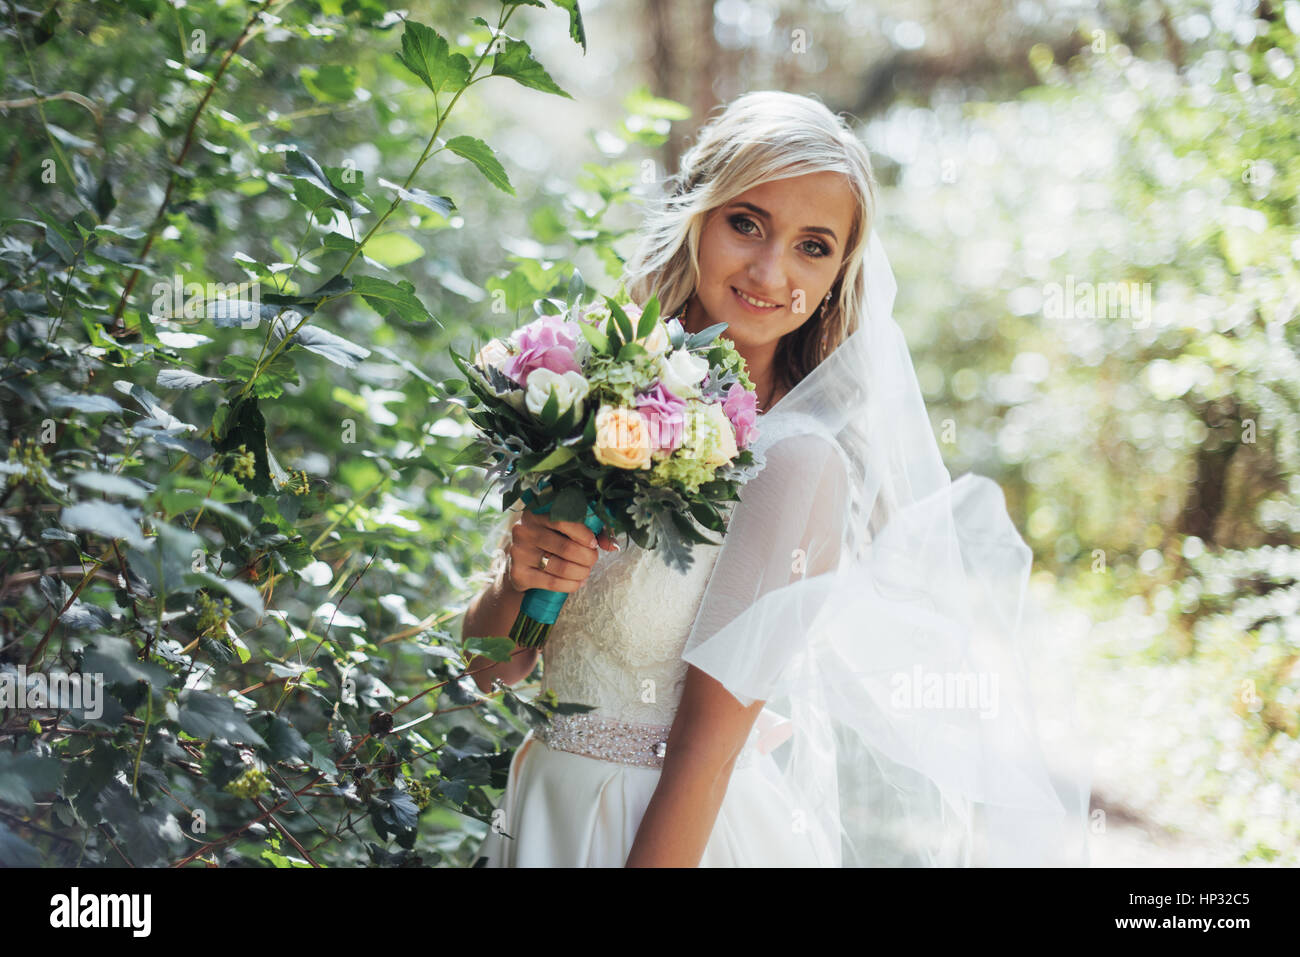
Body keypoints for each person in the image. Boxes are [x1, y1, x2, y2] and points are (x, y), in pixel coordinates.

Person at [465, 90, 1091, 867]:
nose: (769, 270)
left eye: (813, 246)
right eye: (747, 222)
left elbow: (703, 756)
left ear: (838, 275)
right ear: (699, 213)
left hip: (653, 835)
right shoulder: (598, 395)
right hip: (542, 804)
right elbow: (494, 667)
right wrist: (515, 578)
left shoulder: (793, 463)